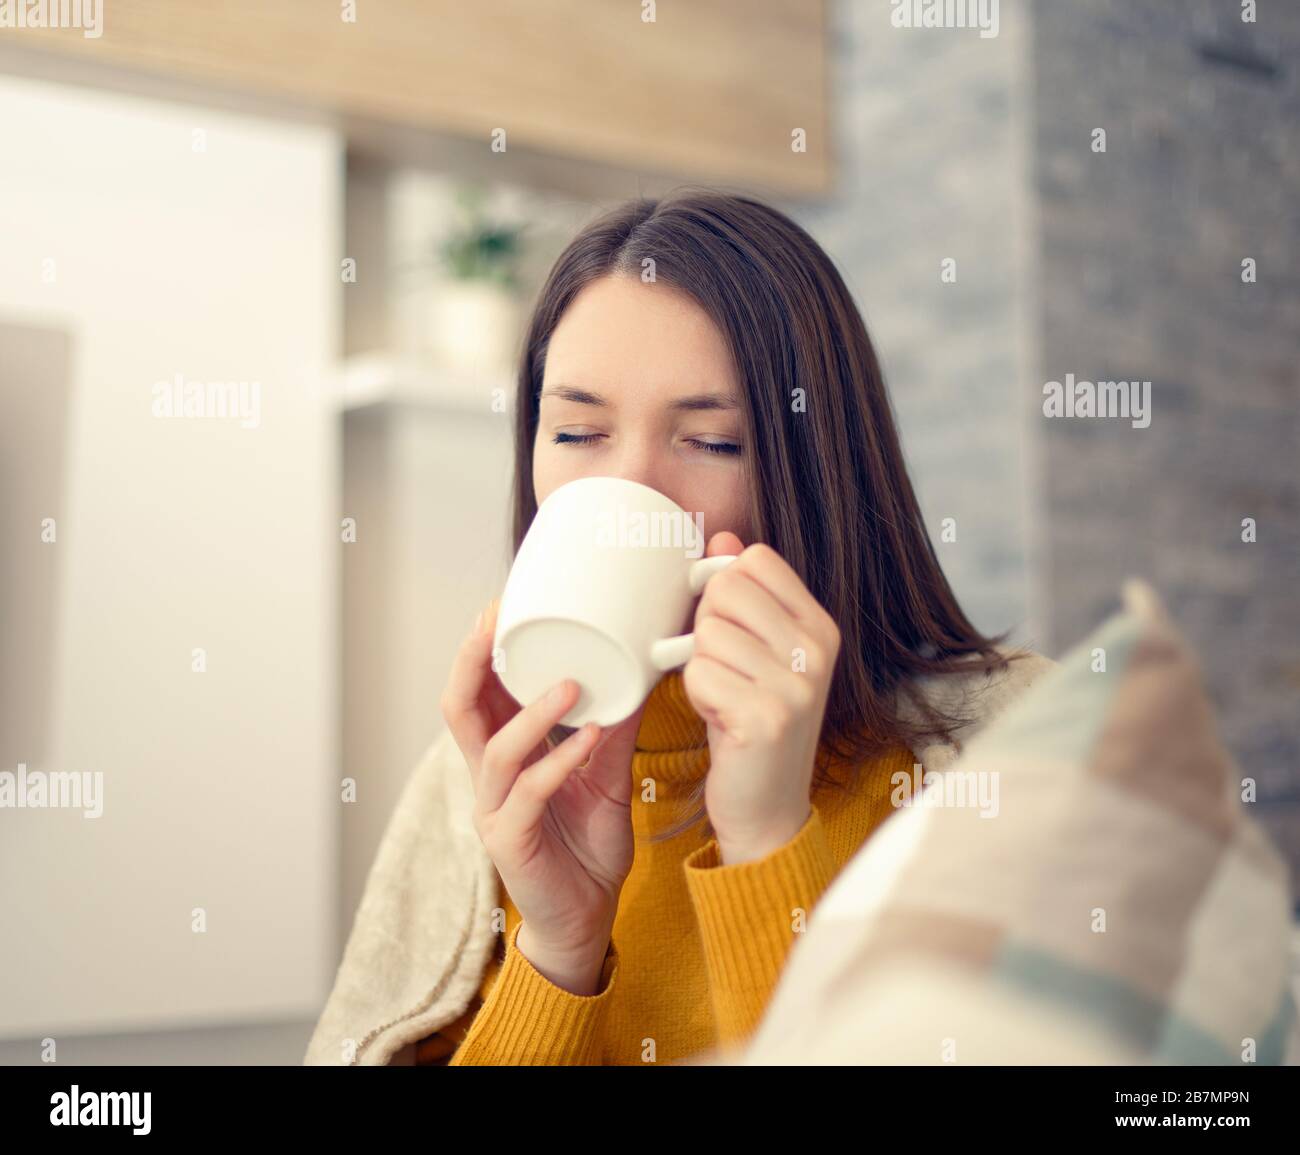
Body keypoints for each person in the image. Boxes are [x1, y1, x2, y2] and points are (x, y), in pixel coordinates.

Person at [303, 188, 1054, 1067]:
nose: (629, 498)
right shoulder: (488, 771)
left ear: (816, 472)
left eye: (712, 442)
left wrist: (769, 845)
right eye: (578, 430)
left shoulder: (1012, 743)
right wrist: (557, 949)